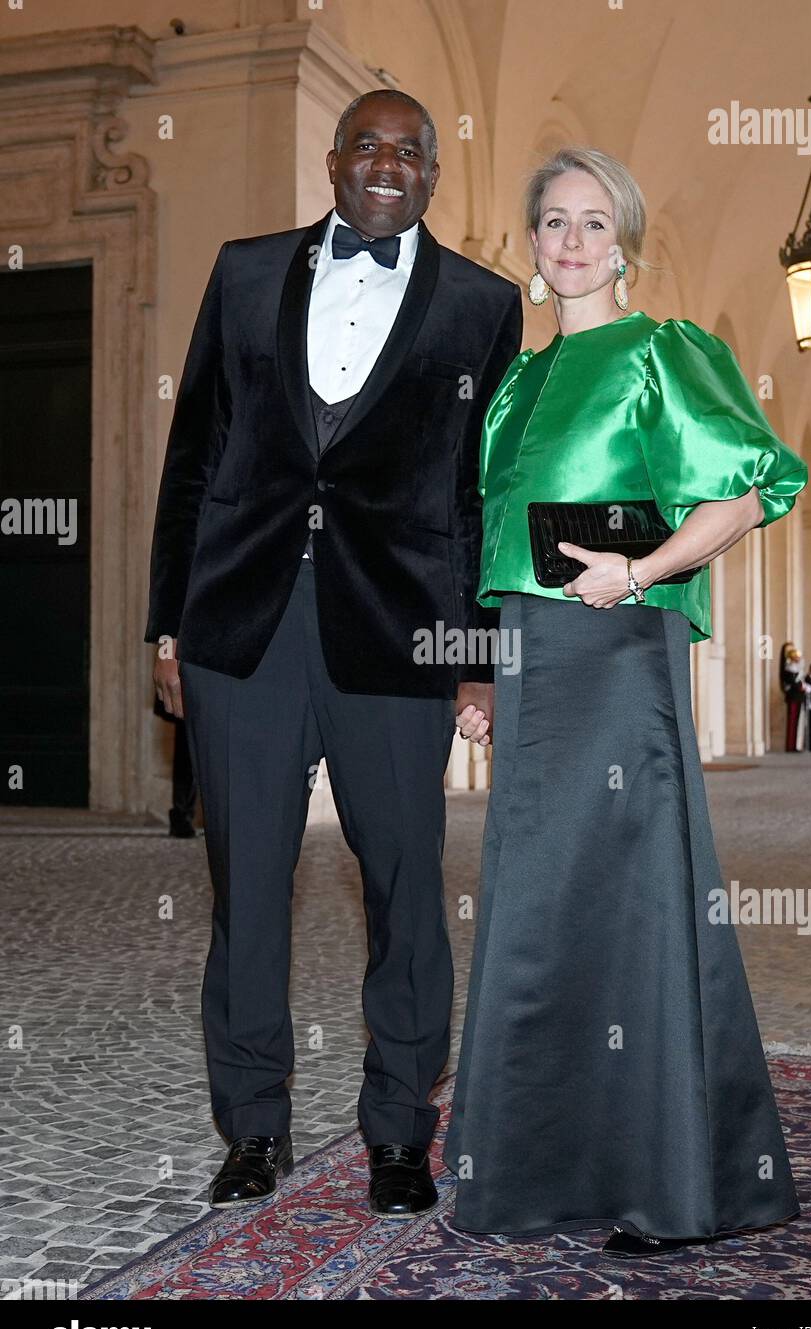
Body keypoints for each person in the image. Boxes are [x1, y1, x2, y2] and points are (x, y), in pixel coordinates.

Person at [146, 90, 522, 1216]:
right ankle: (253, 1130)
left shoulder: (484, 303)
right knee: (246, 887)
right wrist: (170, 619)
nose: (388, 163)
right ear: (333, 161)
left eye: (411, 151)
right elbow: (193, 450)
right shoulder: (247, 270)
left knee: (407, 888)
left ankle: (400, 1130)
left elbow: (483, 495)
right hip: (242, 623)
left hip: (402, 635)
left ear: (433, 176)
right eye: (369, 145)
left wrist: (477, 652)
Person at [445, 148, 808, 1256]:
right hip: (532, 652)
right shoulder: (516, 381)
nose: (571, 241)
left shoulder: (664, 352)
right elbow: (498, 538)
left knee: (636, 896)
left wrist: (639, 574)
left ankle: (673, 1181)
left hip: (616, 647)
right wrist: (485, 671)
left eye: (594, 223)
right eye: (552, 222)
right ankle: (543, 1173)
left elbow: (753, 488)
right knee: (539, 902)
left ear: (626, 244)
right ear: (533, 245)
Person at [152, 692, 199, 837]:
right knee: (186, 751)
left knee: (190, 754)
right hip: (188, 683)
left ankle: (184, 815)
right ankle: (182, 815)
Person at [780, 644, 806, 752]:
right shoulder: (788, 669)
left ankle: (793, 745)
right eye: (796, 657)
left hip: (797, 697)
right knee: (791, 722)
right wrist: (800, 686)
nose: (798, 659)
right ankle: (790, 746)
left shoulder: (796, 668)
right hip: (793, 697)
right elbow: (792, 683)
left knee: (795, 722)